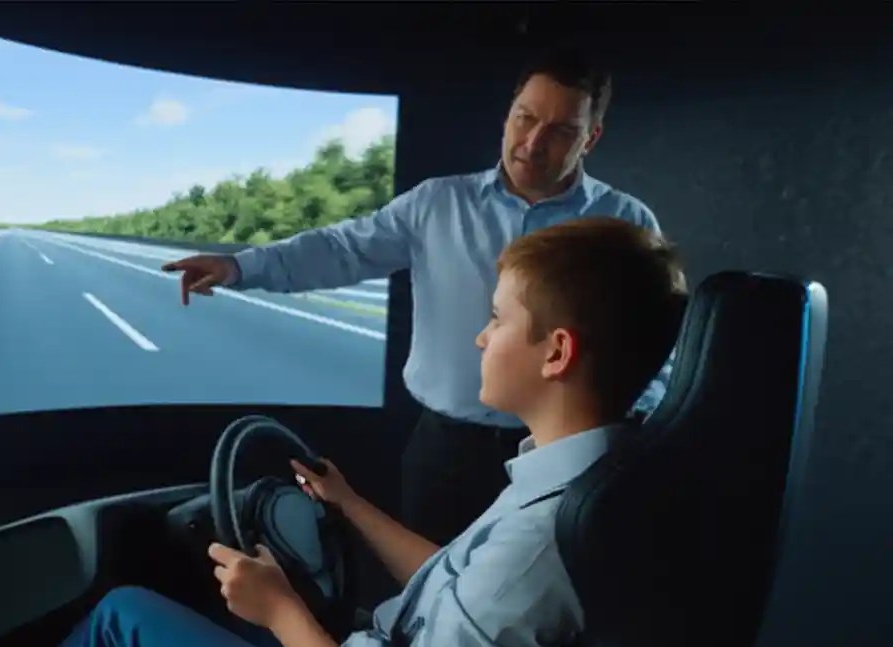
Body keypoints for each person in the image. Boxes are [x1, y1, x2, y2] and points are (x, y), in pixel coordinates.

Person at [14, 217, 688, 647]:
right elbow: (451, 581)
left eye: (496, 318)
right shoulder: (581, 483)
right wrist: (351, 506)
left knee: (123, 621)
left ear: (556, 353)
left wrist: (279, 610)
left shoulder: (540, 539)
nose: (481, 337)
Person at [161, 48, 673, 546]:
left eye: (561, 130)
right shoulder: (436, 203)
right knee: (423, 597)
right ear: (508, 113)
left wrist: (620, 445)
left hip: (564, 461)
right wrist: (238, 266)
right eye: (525, 118)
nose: (533, 143)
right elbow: (340, 249)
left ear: (592, 137)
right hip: (445, 451)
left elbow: (654, 347)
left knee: (537, 614)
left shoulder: (624, 224)